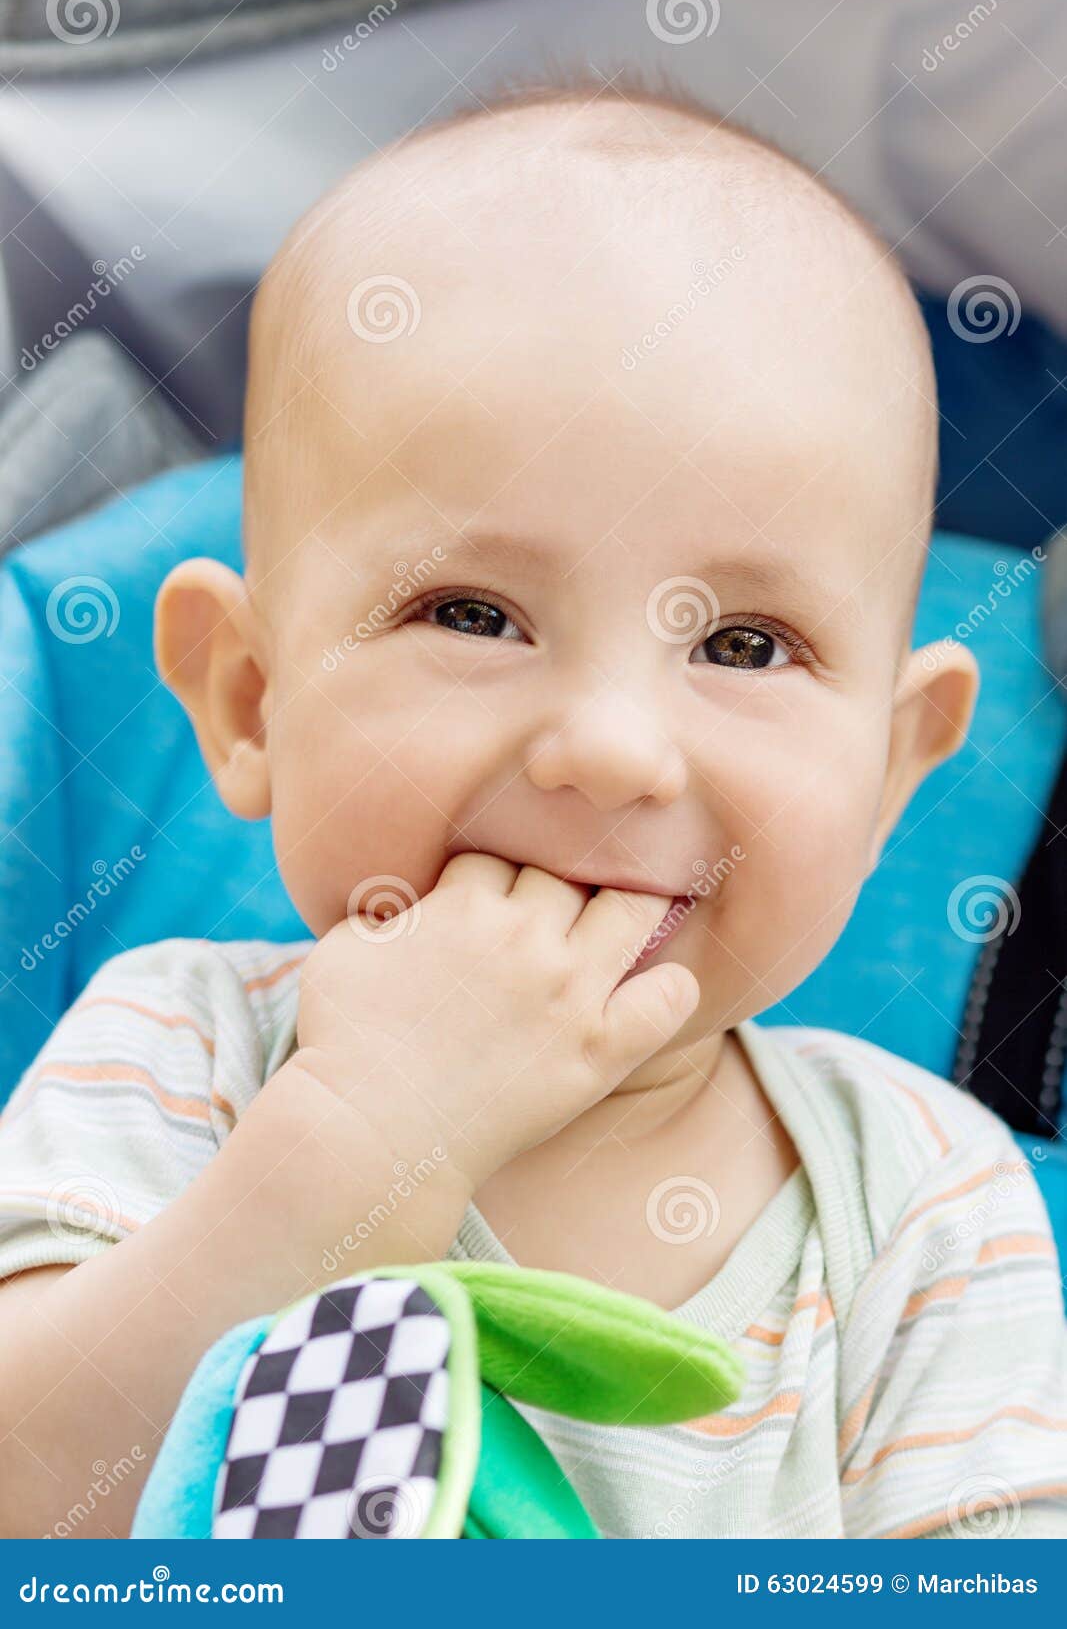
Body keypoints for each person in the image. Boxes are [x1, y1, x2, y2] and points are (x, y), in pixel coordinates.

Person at [0, 82, 1062, 1539]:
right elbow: (33, 1517)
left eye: (744, 645)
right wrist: (355, 1150)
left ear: (889, 777)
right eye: (474, 611)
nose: (613, 748)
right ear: (250, 701)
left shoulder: (927, 1208)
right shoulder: (174, 1061)